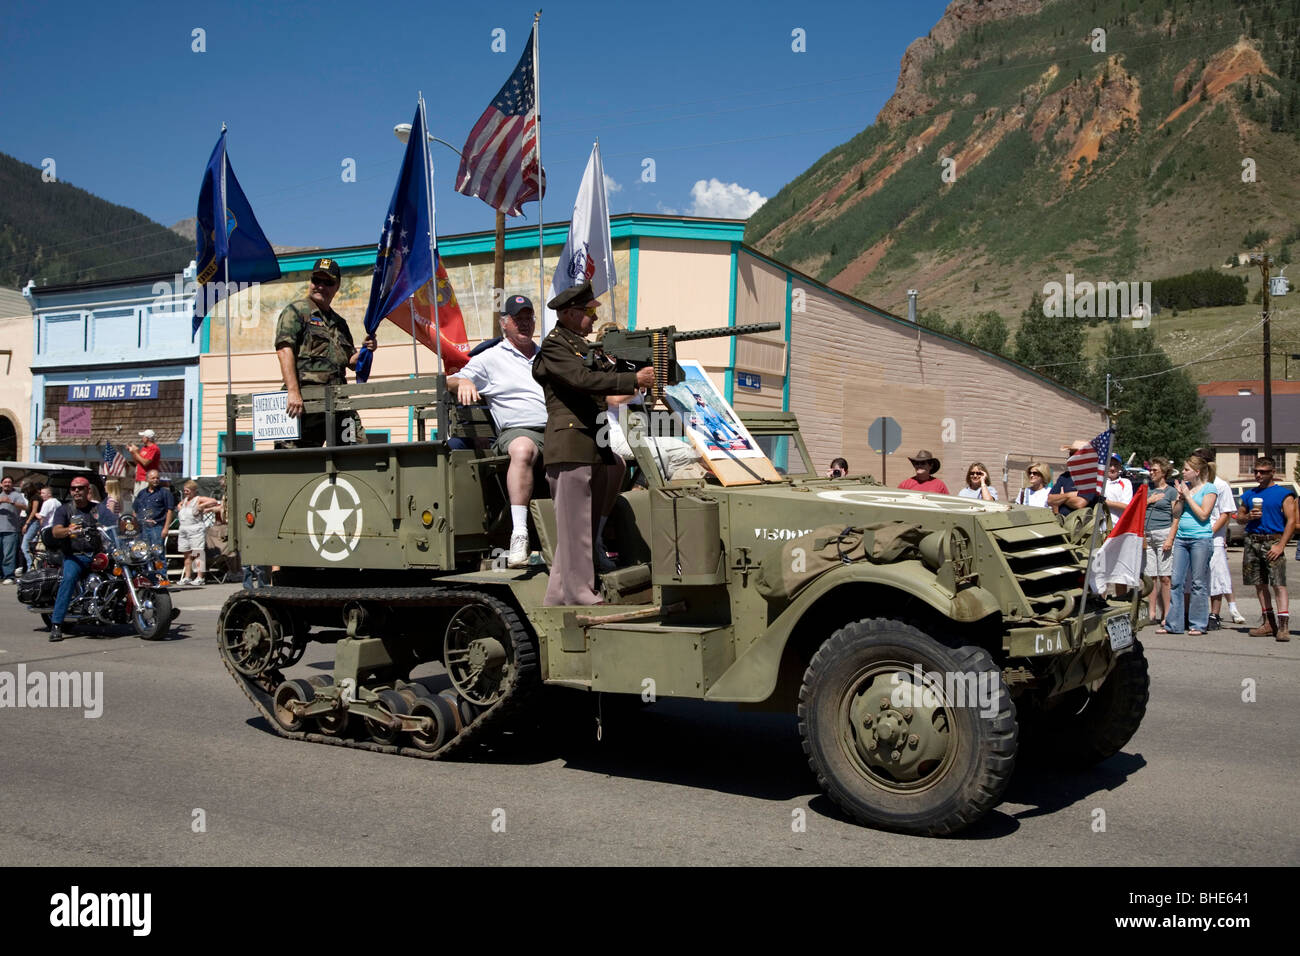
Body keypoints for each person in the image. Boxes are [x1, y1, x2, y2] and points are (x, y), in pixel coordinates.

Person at [532, 281, 654, 605]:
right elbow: (585, 381)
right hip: (570, 445)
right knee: (574, 530)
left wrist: (628, 358)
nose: (593, 320)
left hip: (591, 446)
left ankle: (558, 598)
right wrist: (632, 379)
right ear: (571, 314)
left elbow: (603, 376)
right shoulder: (555, 347)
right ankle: (581, 594)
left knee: (579, 530)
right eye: (589, 313)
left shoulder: (580, 346)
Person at [446, 294, 548, 568]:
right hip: (518, 431)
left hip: (557, 429)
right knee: (522, 449)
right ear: (505, 324)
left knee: (609, 460)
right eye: (518, 319)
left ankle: (594, 539)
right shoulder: (491, 358)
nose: (525, 323)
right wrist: (465, 381)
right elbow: (451, 379)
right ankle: (519, 533)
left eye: (529, 317)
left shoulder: (546, 355)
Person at [274, 257, 376, 448]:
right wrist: (293, 392)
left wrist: (366, 349)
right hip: (305, 401)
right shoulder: (296, 311)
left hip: (337, 400)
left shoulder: (339, 323)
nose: (320, 286)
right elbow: (284, 350)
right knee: (297, 461)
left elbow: (351, 362)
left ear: (337, 286)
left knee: (357, 450)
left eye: (327, 282)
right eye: (316, 280)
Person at [1236, 456, 1297, 640]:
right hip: (1252, 541)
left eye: (1262, 472)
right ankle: (1268, 623)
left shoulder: (1283, 494)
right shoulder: (1249, 494)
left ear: (1272, 473)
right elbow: (1239, 517)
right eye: (1256, 471)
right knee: (1259, 584)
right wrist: (1248, 517)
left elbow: (1292, 521)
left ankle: (1283, 626)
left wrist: (1281, 545)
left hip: (1273, 541)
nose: (1258, 475)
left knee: (1278, 583)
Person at [1159, 456, 1217, 636]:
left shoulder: (1209, 488)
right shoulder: (1186, 490)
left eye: (1185, 469)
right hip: (1182, 539)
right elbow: (1176, 513)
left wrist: (1189, 496)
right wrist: (1181, 497)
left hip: (1200, 539)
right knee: (1176, 582)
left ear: (1196, 472)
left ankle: (1198, 624)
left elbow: (1203, 515)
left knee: (1198, 583)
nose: (1182, 472)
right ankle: (1173, 624)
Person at [46, 477, 106, 643]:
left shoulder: (98, 509)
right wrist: (68, 530)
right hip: (75, 555)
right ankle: (56, 624)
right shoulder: (64, 510)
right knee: (69, 578)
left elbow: (114, 523)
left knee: (123, 569)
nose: (77, 491)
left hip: (96, 555)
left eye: (80, 488)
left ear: (88, 490)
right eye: (73, 489)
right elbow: (56, 531)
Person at [1192, 447, 1246, 629]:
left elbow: (1225, 514)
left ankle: (1214, 614)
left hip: (1212, 537)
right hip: (1193, 536)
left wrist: (1210, 532)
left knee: (1216, 576)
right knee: (1195, 577)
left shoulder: (1220, 485)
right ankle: (1195, 612)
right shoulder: (1193, 484)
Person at [1143, 458, 1177, 628]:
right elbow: (1136, 509)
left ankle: (1167, 613)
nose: (1152, 473)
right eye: (1150, 470)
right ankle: (1152, 612)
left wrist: (1170, 537)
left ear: (1164, 472)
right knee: (1150, 576)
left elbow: (1176, 516)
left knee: (1165, 576)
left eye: (1155, 470)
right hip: (1147, 534)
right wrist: (1148, 501)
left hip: (1163, 532)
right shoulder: (1145, 490)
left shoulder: (1171, 492)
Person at [175, 480, 221, 586]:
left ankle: (199, 577)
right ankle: (187, 576)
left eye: (188, 491)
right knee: (186, 554)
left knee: (197, 553)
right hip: (184, 529)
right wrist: (180, 506)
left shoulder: (198, 499)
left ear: (194, 491)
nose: (186, 493)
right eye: (185, 491)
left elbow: (213, 501)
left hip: (195, 529)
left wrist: (202, 506)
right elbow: (179, 505)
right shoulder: (185, 500)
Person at [1047, 441, 1101, 516]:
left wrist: (1060, 499)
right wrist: (1070, 495)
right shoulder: (1064, 476)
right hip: (1062, 523)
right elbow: (1050, 500)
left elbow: (1079, 504)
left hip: (1082, 524)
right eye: (1070, 454)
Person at [133, 469, 175, 552]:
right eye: (153, 478)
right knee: (143, 554)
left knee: (157, 554)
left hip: (157, 527)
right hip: (142, 528)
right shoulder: (142, 493)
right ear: (147, 479)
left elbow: (169, 511)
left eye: (157, 478)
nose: (155, 480)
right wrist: (136, 526)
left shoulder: (165, 493)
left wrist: (166, 528)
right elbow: (135, 510)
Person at [0, 476, 28, 584]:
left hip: (10, 529)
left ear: (12, 484)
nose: (7, 484)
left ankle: (9, 576)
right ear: (1, 484)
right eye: (5, 482)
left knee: (8, 554)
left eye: (9, 482)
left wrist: (12, 503)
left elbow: (25, 507)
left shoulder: (16, 495)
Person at [126, 429, 162, 500]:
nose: (142, 438)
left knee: (144, 499)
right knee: (136, 499)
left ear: (147, 438)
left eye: (143, 437)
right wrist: (132, 452)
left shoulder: (154, 448)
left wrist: (136, 452)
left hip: (146, 479)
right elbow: (138, 462)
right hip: (139, 477)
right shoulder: (144, 448)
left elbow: (145, 463)